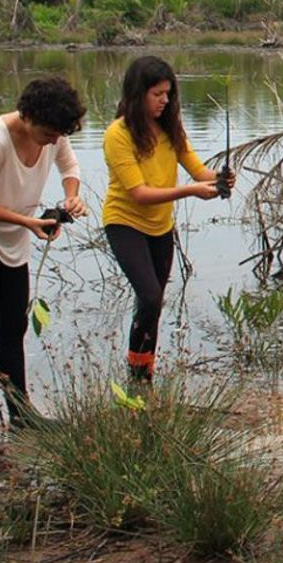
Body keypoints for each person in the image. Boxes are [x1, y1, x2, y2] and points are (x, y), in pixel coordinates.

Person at [0, 77, 87, 455]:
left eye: (60, 133)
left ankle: (21, 414)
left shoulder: (53, 133)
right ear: (27, 116)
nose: (54, 140)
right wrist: (29, 223)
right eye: (48, 133)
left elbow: (69, 165)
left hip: (13, 238)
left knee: (14, 326)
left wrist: (71, 198)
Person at [103, 56, 235, 381]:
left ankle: (142, 370)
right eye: (157, 94)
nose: (165, 101)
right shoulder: (117, 134)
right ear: (137, 94)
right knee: (149, 295)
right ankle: (137, 373)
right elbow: (139, 193)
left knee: (153, 302)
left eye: (168, 94)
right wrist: (191, 191)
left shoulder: (170, 128)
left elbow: (198, 169)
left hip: (160, 226)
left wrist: (218, 180)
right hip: (125, 223)